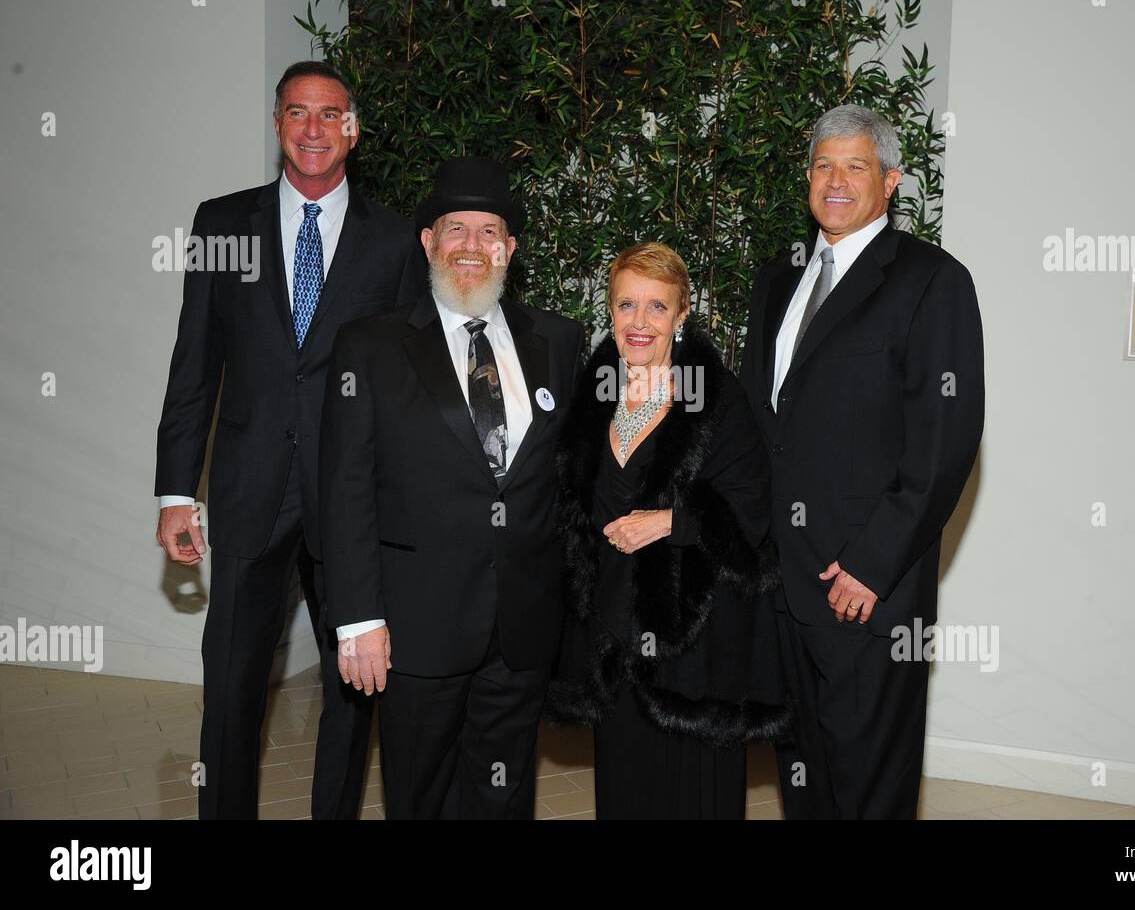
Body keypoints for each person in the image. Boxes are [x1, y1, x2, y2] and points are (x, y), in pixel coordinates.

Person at [154, 60, 425, 819]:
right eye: (298, 113)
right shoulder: (220, 223)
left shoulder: (396, 240)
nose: (314, 129)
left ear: (353, 129)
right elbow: (194, 362)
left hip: (352, 500)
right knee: (232, 683)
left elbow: (406, 389)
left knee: (352, 683)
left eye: (330, 114)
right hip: (247, 491)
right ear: (277, 124)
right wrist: (178, 491)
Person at [737, 104, 985, 819]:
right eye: (823, 165)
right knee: (805, 779)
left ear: (891, 181)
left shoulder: (932, 281)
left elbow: (945, 441)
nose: (836, 181)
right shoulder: (776, 279)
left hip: (868, 593)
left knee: (869, 788)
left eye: (856, 167)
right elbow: (763, 426)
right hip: (784, 584)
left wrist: (873, 564)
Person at [318, 156, 585, 819]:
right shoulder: (369, 347)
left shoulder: (559, 340)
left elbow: (574, 478)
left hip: (521, 627)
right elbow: (344, 488)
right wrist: (358, 618)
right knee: (419, 794)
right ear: (428, 240)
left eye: (489, 231)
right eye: (455, 228)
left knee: (504, 793)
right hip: (415, 626)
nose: (472, 245)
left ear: (511, 248)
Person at [547, 242, 788, 820]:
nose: (639, 322)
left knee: (693, 793)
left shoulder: (717, 399)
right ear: (609, 310)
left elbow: (755, 512)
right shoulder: (591, 394)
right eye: (626, 305)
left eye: (658, 307)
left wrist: (673, 523)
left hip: (693, 641)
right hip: (613, 629)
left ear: (682, 315)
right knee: (627, 786)